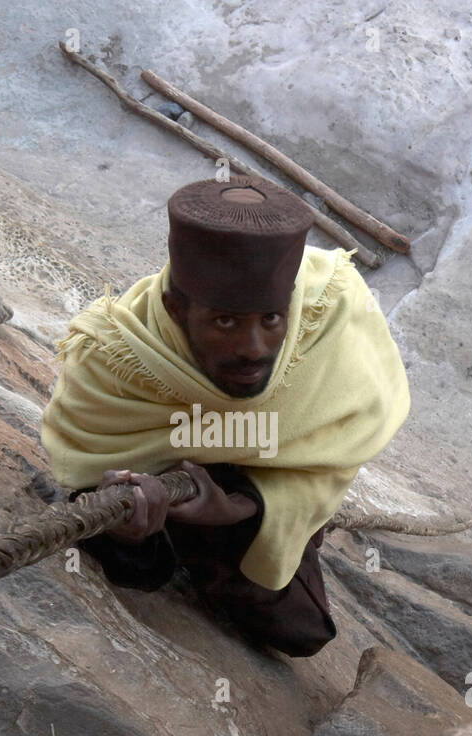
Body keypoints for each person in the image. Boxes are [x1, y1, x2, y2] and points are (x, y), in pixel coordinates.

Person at [40, 176, 410, 657]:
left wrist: (240, 506)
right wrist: (127, 524)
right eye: (225, 322)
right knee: (139, 562)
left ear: (291, 304)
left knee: (301, 632)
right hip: (170, 487)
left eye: (271, 319)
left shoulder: (329, 314)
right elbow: (90, 458)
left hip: (258, 488)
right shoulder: (112, 358)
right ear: (176, 311)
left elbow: (342, 439)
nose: (254, 348)